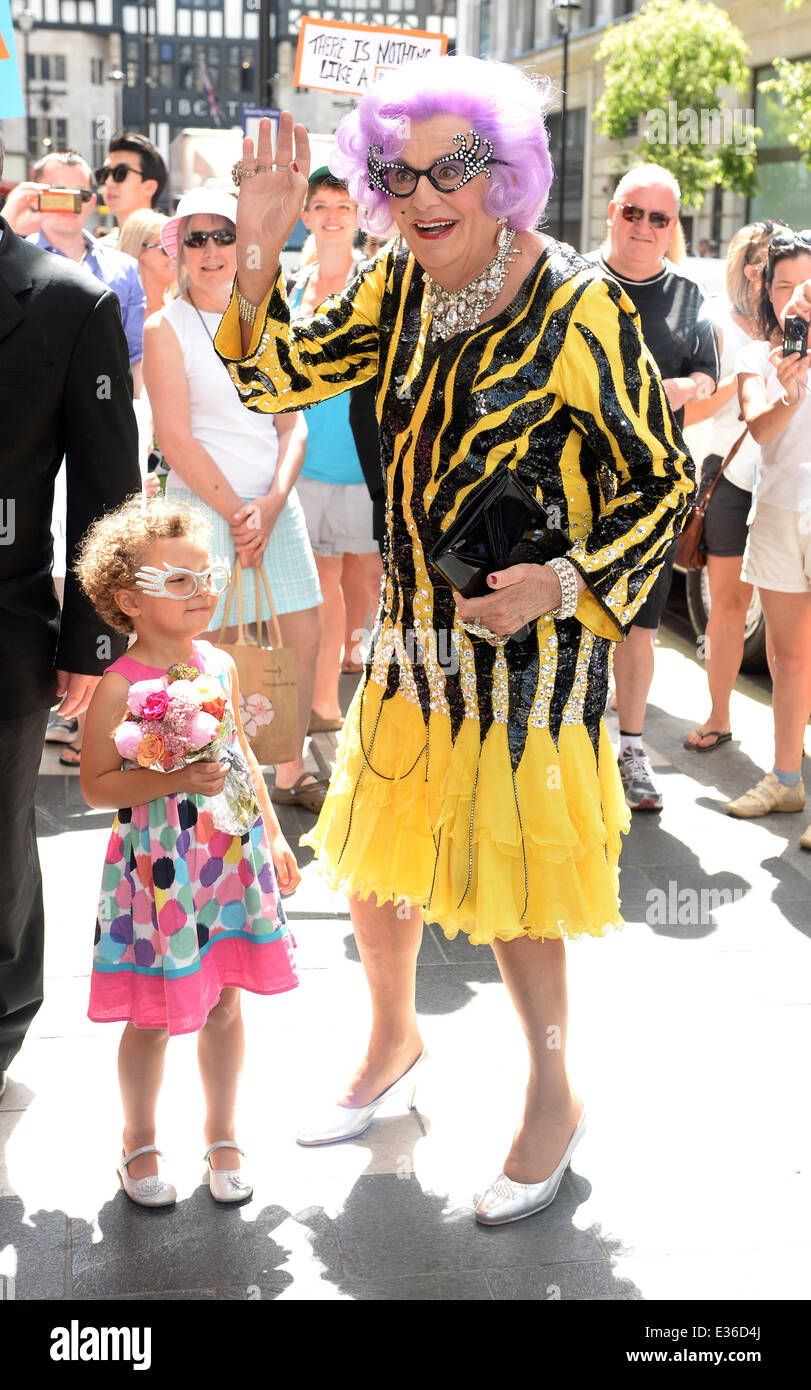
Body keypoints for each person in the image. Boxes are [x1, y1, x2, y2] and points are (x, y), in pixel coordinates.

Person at [215, 57, 693, 1225]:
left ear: (505, 174)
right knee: (377, 866)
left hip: (533, 665)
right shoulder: (392, 285)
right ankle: (390, 1043)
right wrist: (263, 249)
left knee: (521, 896)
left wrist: (564, 582)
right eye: (399, 173)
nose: (426, 193)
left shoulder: (577, 305)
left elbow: (664, 483)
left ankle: (551, 1095)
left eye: (454, 168)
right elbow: (272, 370)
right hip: (413, 645)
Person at [76, 497, 299, 1205]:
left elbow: (242, 761)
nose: (202, 592)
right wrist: (167, 774)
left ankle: (223, 1134)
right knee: (152, 1014)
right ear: (126, 601)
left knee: (228, 1002)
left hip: (227, 857)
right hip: (162, 869)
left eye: (208, 577)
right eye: (179, 582)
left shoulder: (220, 664)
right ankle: (137, 1141)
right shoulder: (120, 686)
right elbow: (93, 787)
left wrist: (274, 833)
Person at [0, 132, 140, 1102]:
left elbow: (106, 486)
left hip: (5, 626)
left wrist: (92, 637)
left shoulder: (67, 301)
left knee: (1, 847)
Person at [143, 187, 325, 813]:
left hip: (273, 507)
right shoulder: (165, 327)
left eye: (224, 235)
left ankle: (287, 768)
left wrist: (272, 502)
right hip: (203, 513)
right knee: (207, 653)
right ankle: (217, 780)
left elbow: (293, 424)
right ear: (180, 251)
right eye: (197, 238)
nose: (212, 249)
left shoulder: (271, 318)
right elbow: (174, 438)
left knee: (305, 635)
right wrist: (239, 513)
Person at [587, 165, 719, 810]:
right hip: (571, 485)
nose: (643, 227)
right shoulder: (569, 281)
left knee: (638, 626)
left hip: (652, 492)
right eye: (632, 212)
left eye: (658, 218)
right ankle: (568, 753)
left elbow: (709, 378)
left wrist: (690, 387)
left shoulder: (689, 295)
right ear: (611, 212)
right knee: (568, 622)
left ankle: (631, 750)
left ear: (672, 229)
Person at [726, 229, 811, 844]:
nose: (794, 298)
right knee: (785, 659)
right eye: (784, 286)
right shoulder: (759, 357)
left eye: (805, 287)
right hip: (779, 512)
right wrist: (791, 385)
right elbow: (759, 428)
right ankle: (785, 778)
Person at [289, 167, 383, 727]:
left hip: (362, 467)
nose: (330, 217)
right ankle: (325, 702)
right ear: (304, 217)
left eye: (342, 207)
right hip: (306, 465)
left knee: (361, 586)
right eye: (320, 206)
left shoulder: (376, 285)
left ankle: (346, 698)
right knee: (321, 585)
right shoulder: (291, 291)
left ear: (359, 216)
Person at [684, 221, 778, 752]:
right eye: (771, 262)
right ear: (750, 267)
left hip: (787, 477)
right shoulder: (719, 323)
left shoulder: (798, 324)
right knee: (729, 606)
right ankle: (719, 716)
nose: (783, 273)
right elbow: (691, 411)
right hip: (731, 476)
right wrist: (742, 379)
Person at [2, 149, 146, 381]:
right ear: (35, 196)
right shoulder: (12, 262)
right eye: (58, 193)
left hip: (105, 398)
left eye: (80, 195)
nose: (69, 202)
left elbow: (136, 356)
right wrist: (8, 218)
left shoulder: (125, 268)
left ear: (91, 203)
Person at [95, 132, 168, 246]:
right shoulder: (95, 253)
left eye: (120, 173)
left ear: (149, 187)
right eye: (103, 174)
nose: (108, 182)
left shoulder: (174, 248)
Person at [118, 208, 175, 317]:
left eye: (177, 247)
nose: (174, 256)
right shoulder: (120, 314)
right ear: (140, 252)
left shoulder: (181, 311)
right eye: (166, 248)